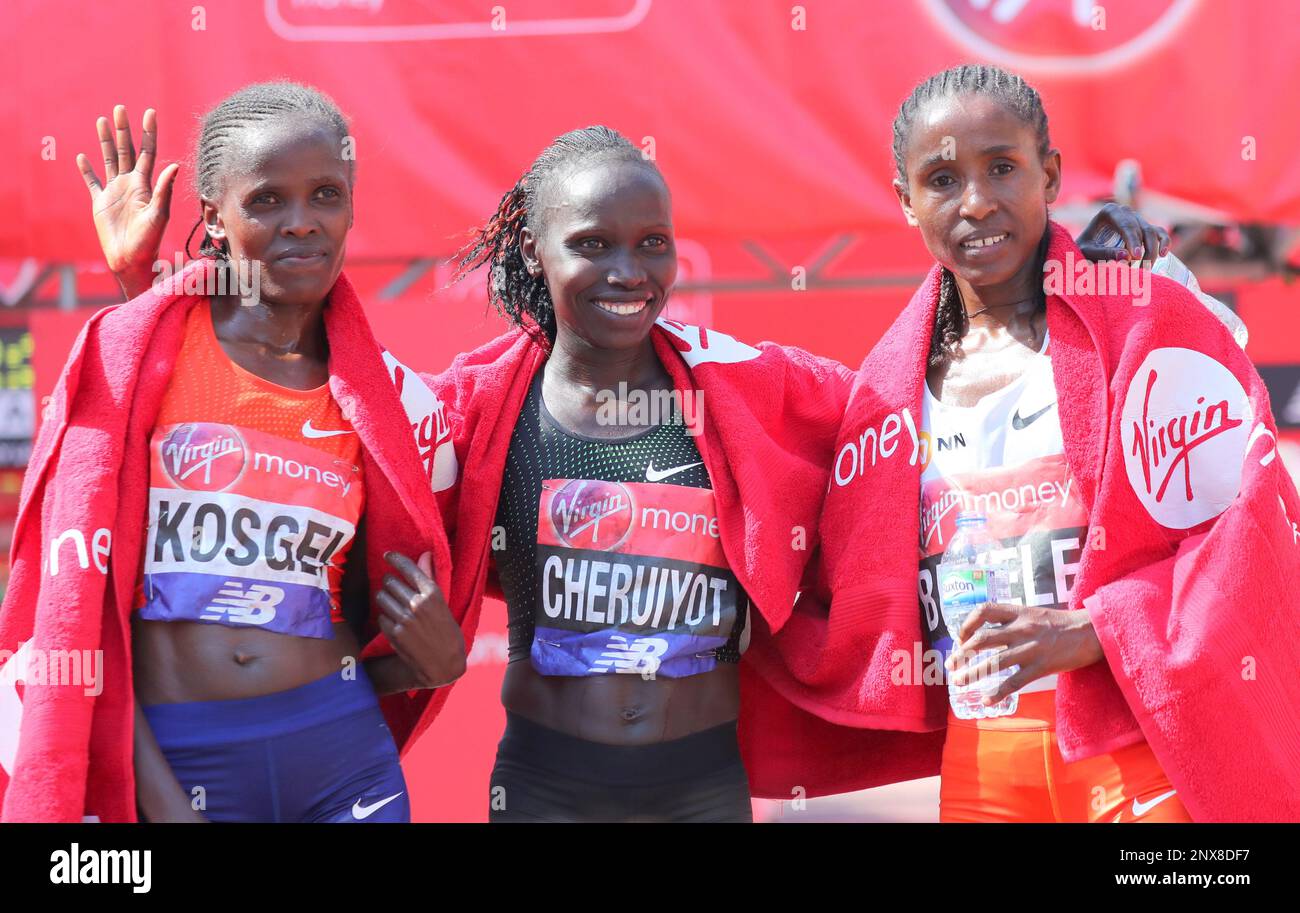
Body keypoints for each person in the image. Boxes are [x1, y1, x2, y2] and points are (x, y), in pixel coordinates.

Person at [74, 108, 1193, 823]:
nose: (626, 268)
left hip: (704, 787)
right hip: (545, 786)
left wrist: (1074, 250)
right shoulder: (472, 407)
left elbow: (906, 406)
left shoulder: (752, 389)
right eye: (591, 244)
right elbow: (278, 435)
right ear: (534, 252)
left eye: (650, 243)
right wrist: (152, 302)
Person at [788, 64, 1296, 822]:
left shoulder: (1143, 318)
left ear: (1049, 173)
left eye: (1002, 167)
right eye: (941, 177)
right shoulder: (883, 395)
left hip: (1135, 735)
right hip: (985, 751)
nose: (977, 201)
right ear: (905, 200)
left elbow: (1249, 529)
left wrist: (1094, 630)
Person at [0, 85, 466, 823]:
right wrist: (164, 805)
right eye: (267, 201)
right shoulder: (137, 359)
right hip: (185, 761)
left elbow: (389, 602)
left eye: (325, 194)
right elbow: (98, 616)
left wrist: (435, 662)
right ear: (214, 217)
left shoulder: (391, 400)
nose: (302, 222)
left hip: (342, 758)